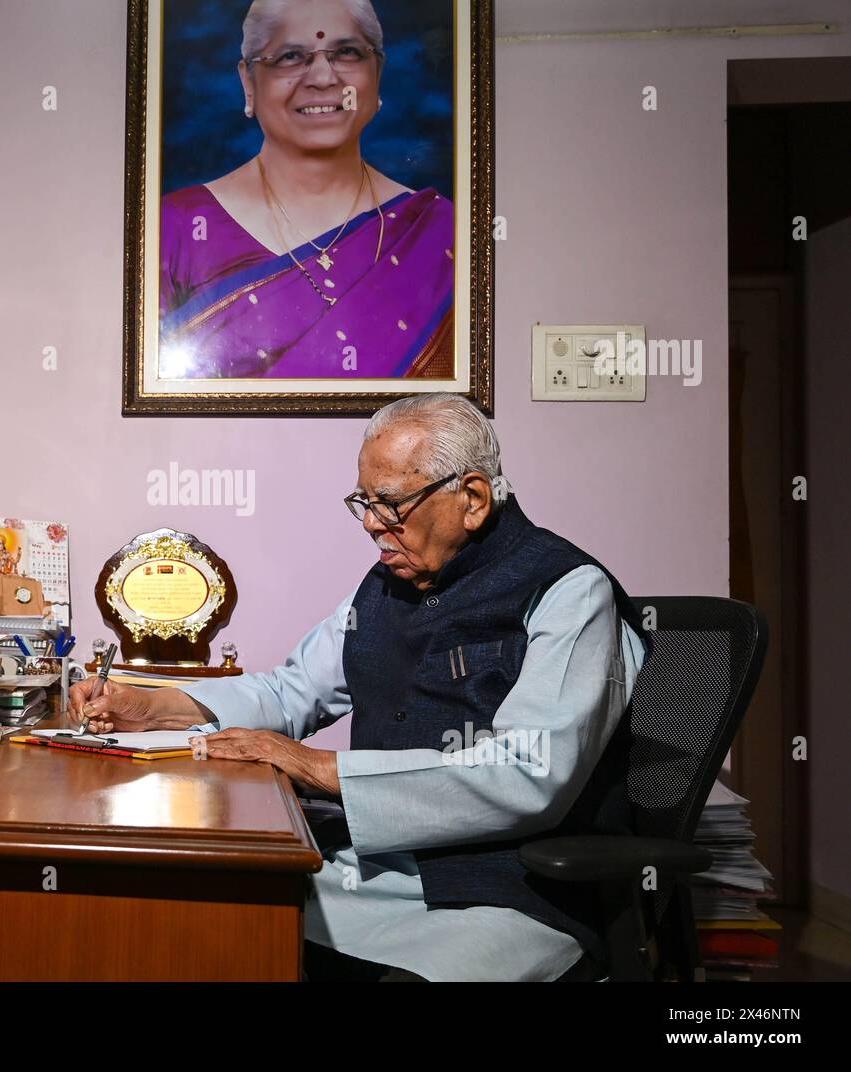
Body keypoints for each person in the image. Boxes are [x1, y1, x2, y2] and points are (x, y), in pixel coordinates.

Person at [70, 393, 650, 981]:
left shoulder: (570, 591)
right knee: (201, 923)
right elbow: (293, 692)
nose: (373, 524)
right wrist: (156, 708)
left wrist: (317, 767)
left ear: (472, 499)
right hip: (382, 869)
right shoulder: (388, 584)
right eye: (364, 503)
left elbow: (526, 773)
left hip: (510, 891)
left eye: (391, 504)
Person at [158, 0, 454, 381]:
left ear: (377, 73)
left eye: (347, 52)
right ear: (248, 81)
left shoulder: (440, 232)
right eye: (290, 57)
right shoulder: (176, 229)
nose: (322, 78)